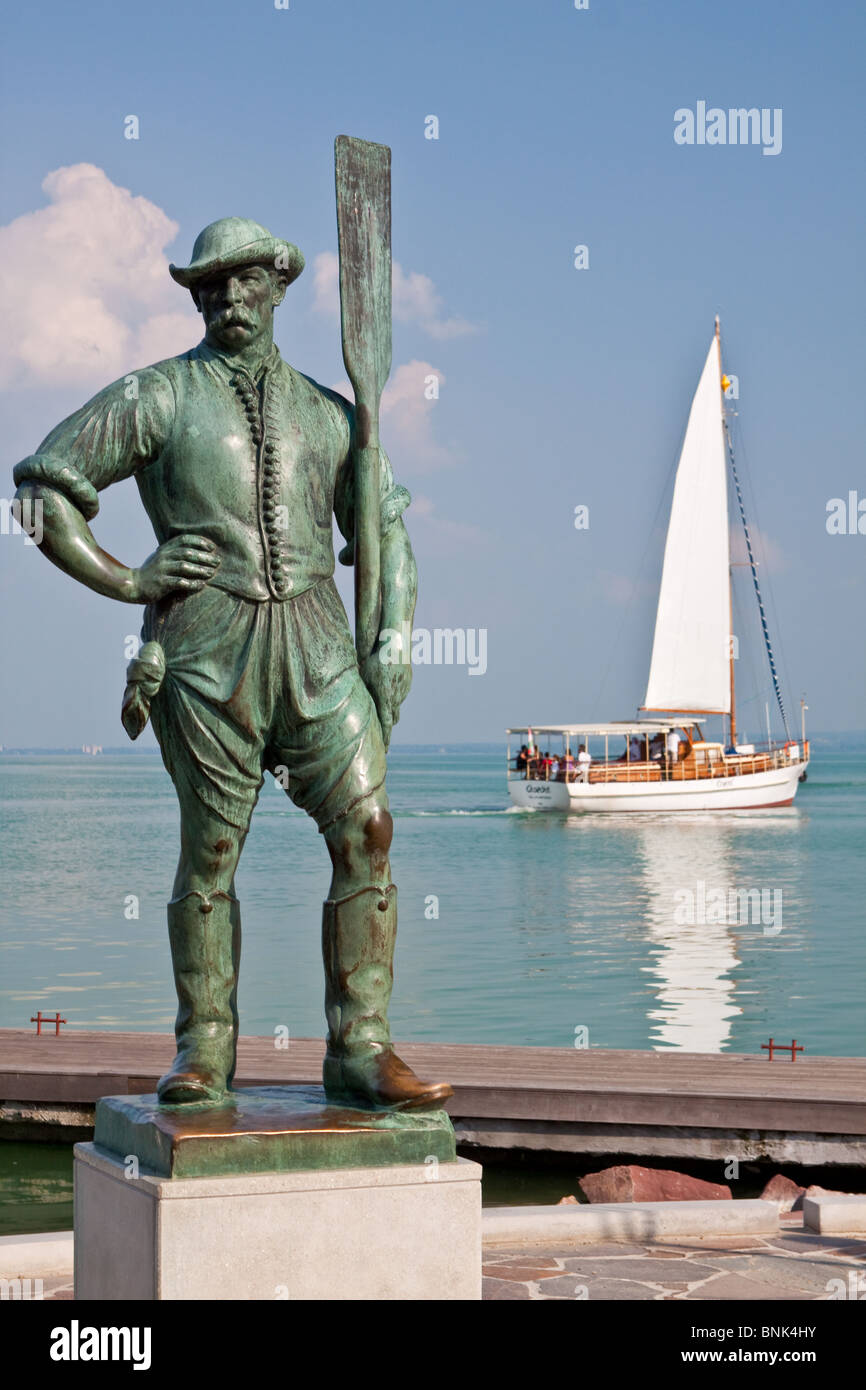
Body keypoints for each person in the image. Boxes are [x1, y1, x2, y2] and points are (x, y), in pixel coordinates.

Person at [13, 217, 451, 1112]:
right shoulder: (158, 396)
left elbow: (388, 533)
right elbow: (36, 495)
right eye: (210, 286)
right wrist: (129, 577)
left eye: (246, 281)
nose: (228, 298)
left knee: (367, 829)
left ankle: (361, 1047)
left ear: (280, 285)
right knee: (210, 854)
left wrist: (396, 634)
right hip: (206, 653)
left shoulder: (338, 415)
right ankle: (205, 1046)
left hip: (323, 647)